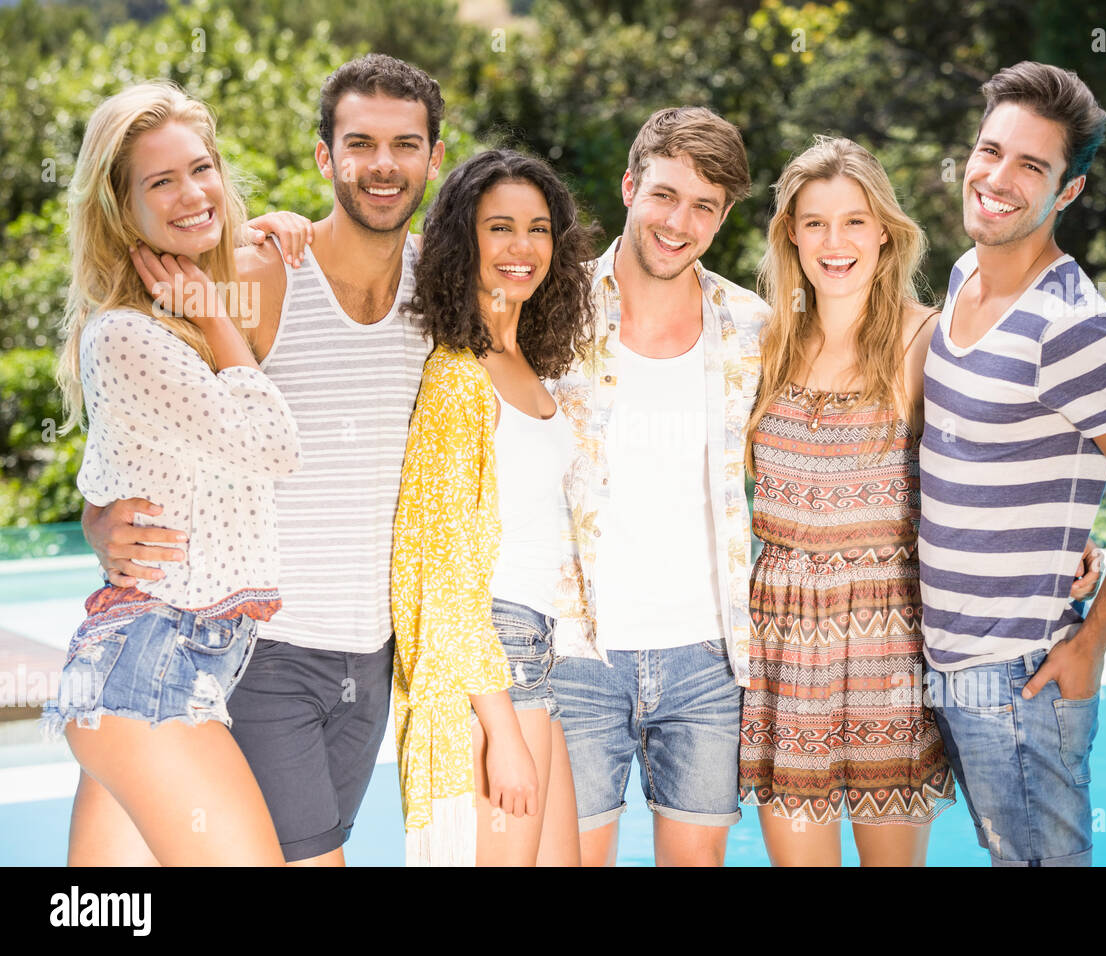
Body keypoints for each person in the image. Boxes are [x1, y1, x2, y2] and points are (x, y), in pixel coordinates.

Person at [80, 53, 446, 866]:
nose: (381, 165)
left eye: (404, 145)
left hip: (370, 658)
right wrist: (99, 521)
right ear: (325, 157)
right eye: (359, 143)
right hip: (256, 652)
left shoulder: (443, 291)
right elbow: (157, 422)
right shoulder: (255, 274)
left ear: (434, 158)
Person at [919, 61, 1106, 866]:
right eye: (990, 151)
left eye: (1031, 166)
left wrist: (1095, 638)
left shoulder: (1074, 325)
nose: (998, 179)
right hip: (947, 665)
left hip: (1020, 679)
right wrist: (1066, 538)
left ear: (1066, 192)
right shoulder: (967, 273)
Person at [42, 82, 302, 865]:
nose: (192, 193)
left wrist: (258, 243)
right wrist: (221, 320)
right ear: (122, 209)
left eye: (202, 169)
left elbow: (112, 481)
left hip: (158, 670)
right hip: (152, 672)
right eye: (161, 182)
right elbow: (271, 448)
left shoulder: (179, 320)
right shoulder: (127, 335)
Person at [548, 107, 770, 866]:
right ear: (629, 186)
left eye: (704, 207)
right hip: (577, 650)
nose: (680, 222)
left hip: (708, 656)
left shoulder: (754, 326)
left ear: (723, 216)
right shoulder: (551, 308)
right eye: (665, 196)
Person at [739, 136, 956, 865]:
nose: (835, 242)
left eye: (855, 221)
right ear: (791, 235)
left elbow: (996, 459)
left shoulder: (927, 340)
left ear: (886, 231)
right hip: (781, 642)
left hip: (887, 648)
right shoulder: (761, 346)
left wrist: (1068, 546)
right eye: (815, 222)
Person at [392, 149, 597, 866]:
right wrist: (501, 729)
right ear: (462, 241)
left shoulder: (526, 362)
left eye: (538, 229)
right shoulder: (456, 377)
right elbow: (443, 572)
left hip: (540, 649)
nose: (522, 248)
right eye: (499, 227)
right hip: (490, 652)